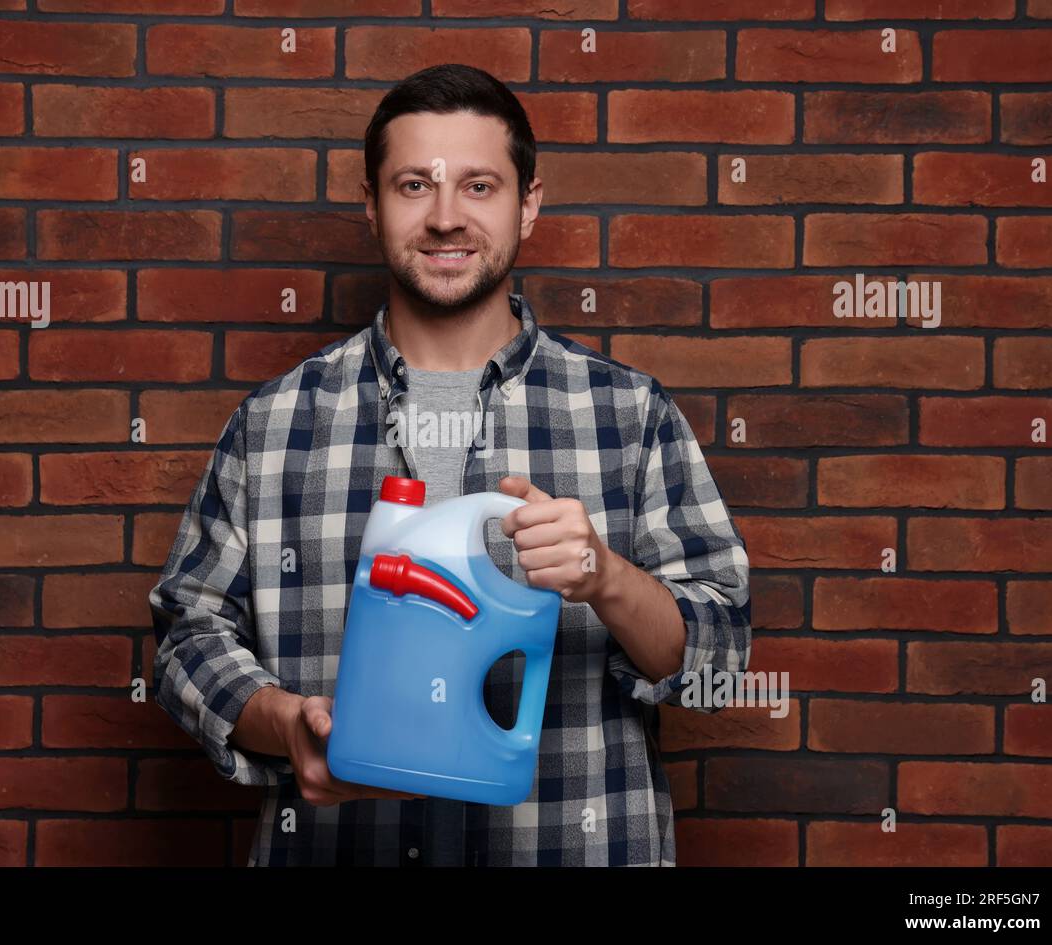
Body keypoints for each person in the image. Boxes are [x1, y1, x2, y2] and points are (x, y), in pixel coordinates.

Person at [148, 63, 751, 866]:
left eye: (477, 186)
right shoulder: (275, 423)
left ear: (527, 203)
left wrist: (606, 576)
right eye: (412, 186)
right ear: (370, 203)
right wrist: (282, 721)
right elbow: (188, 633)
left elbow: (720, 650)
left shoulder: (629, 417)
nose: (443, 218)